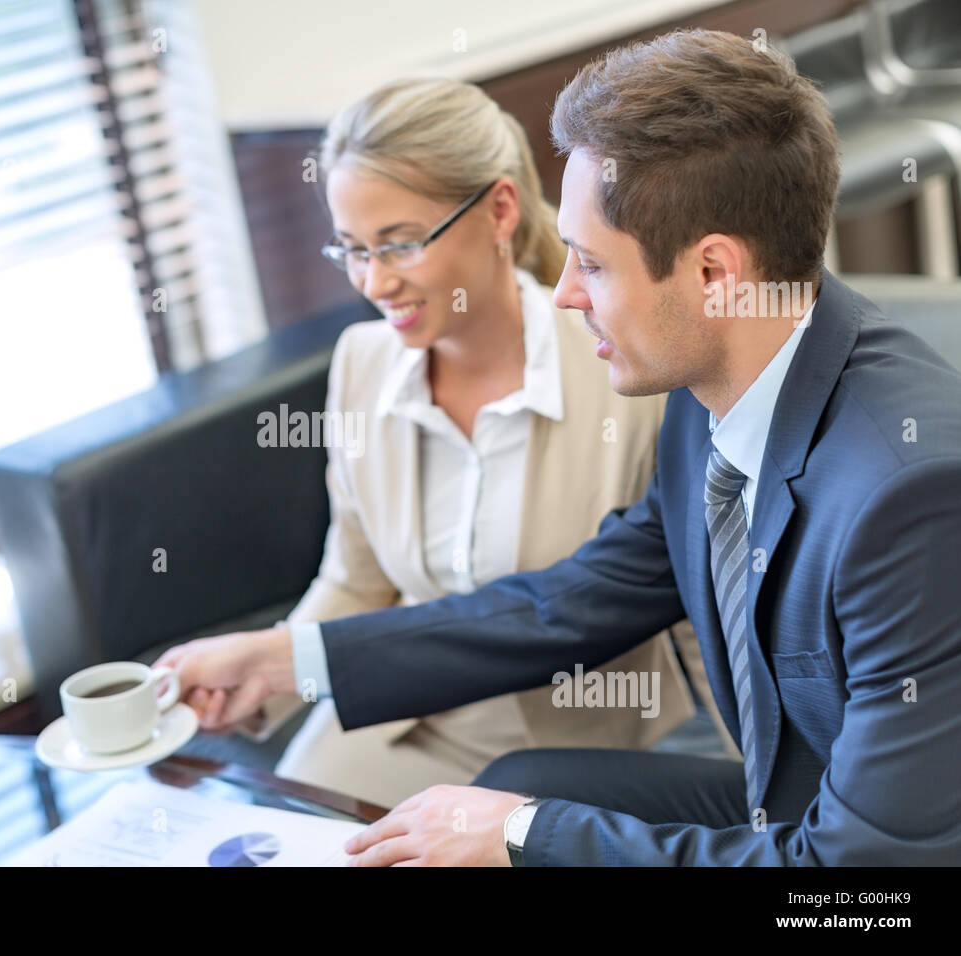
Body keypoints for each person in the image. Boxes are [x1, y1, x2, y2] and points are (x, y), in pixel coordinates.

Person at [160, 29, 961, 865]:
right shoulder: (715, 378)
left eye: (591, 263)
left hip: (862, 870)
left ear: (715, 274)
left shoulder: (911, 502)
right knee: (511, 783)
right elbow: (575, 599)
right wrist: (287, 659)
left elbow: (859, 886)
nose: (568, 294)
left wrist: (520, 834)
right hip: (792, 804)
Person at [185, 77, 725, 810]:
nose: (374, 281)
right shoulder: (362, 362)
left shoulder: (625, 370)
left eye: (401, 244)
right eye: (350, 249)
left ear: (499, 210)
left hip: (584, 742)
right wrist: (258, 682)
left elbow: (696, 601)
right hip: (407, 719)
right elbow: (358, 578)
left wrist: (760, 797)